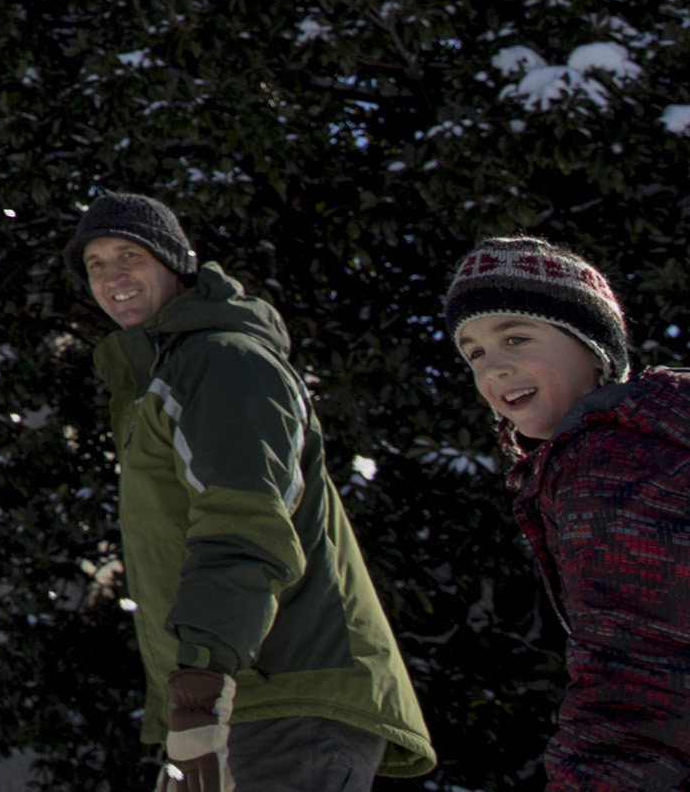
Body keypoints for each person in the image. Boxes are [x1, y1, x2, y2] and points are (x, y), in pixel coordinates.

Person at [70, 192, 434, 789]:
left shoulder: (223, 362)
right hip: (239, 699)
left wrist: (201, 687)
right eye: (96, 265)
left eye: (129, 255)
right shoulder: (167, 376)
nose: (113, 277)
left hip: (284, 693)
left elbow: (243, 520)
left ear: (175, 263)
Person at [445, 237, 690, 786]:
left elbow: (640, 678)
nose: (495, 366)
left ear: (593, 346)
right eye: (475, 352)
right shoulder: (678, 441)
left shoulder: (612, 464)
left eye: (516, 336)